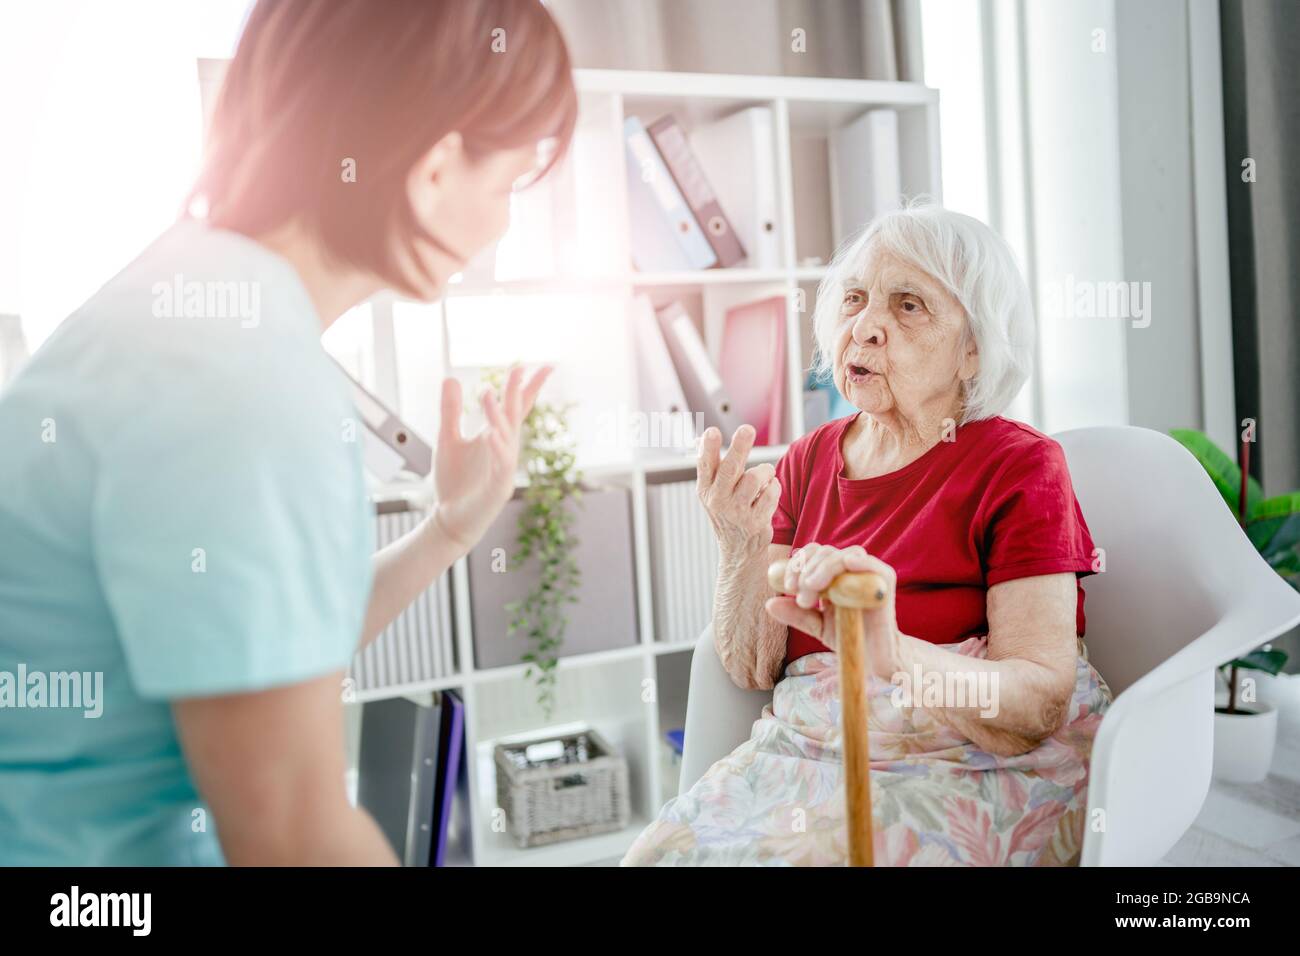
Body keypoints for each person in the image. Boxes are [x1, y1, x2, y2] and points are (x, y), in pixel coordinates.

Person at [0, 0, 576, 865]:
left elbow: (261, 648)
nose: (500, 224)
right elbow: (292, 834)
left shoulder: (193, 298)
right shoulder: (244, 376)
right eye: (508, 186)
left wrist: (448, 528)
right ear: (436, 165)